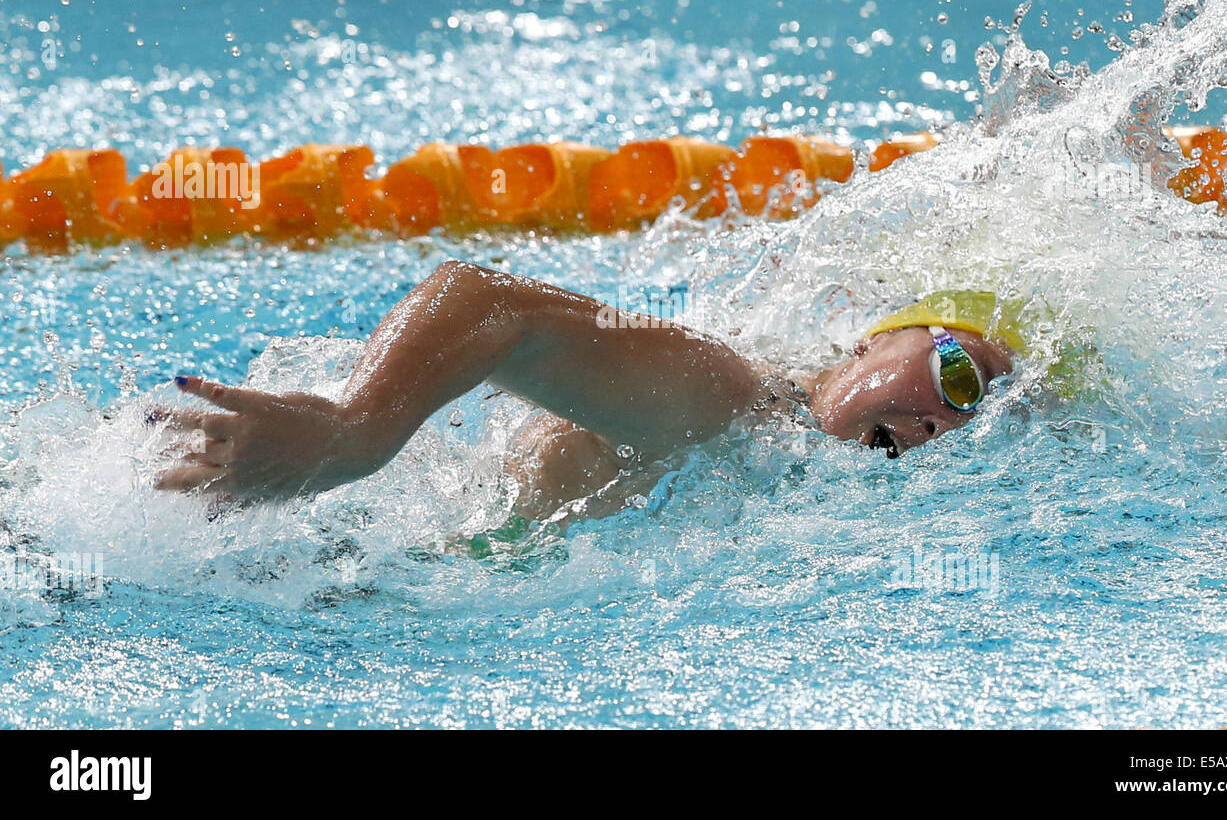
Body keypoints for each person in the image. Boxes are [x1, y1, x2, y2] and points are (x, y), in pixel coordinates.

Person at [151, 260, 1019, 521]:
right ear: (871, 339)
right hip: (323, 540)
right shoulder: (731, 397)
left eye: (975, 421)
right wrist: (354, 429)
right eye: (957, 372)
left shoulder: (783, 459)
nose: (946, 418)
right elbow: (488, 303)